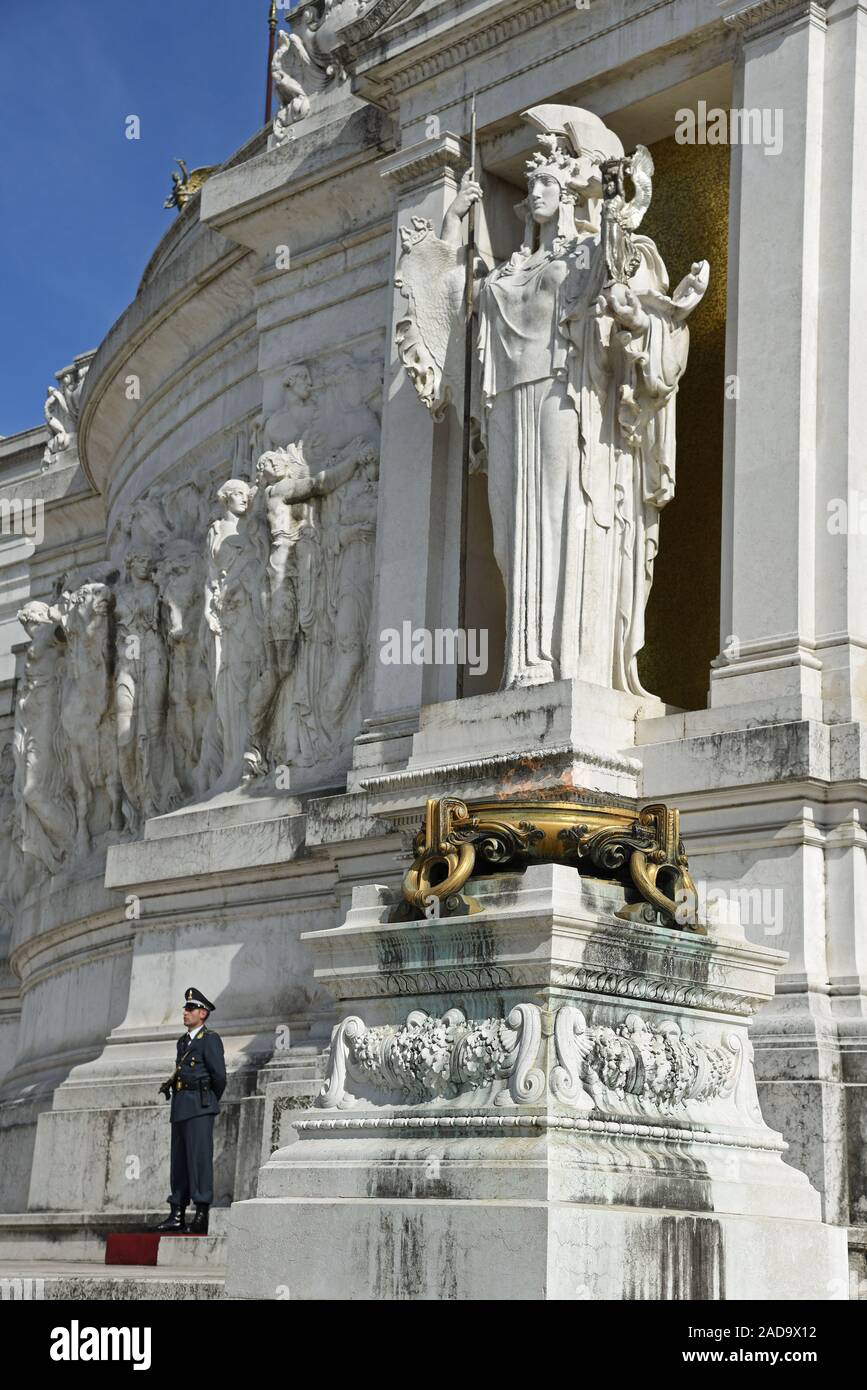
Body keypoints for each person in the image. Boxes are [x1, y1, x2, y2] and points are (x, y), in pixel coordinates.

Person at [152, 987, 226, 1235]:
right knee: (179, 1162)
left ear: (203, 1013)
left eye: (190, 1008)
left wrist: (207, 1101)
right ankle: (177, 1212)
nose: (185, 1012)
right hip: (181, 1105)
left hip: (200, 1105)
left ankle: (201, 1212)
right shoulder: (182, 1042)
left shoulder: (210, 1039)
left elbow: (220, 1077)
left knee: (199, 1160)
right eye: (185, 1008)